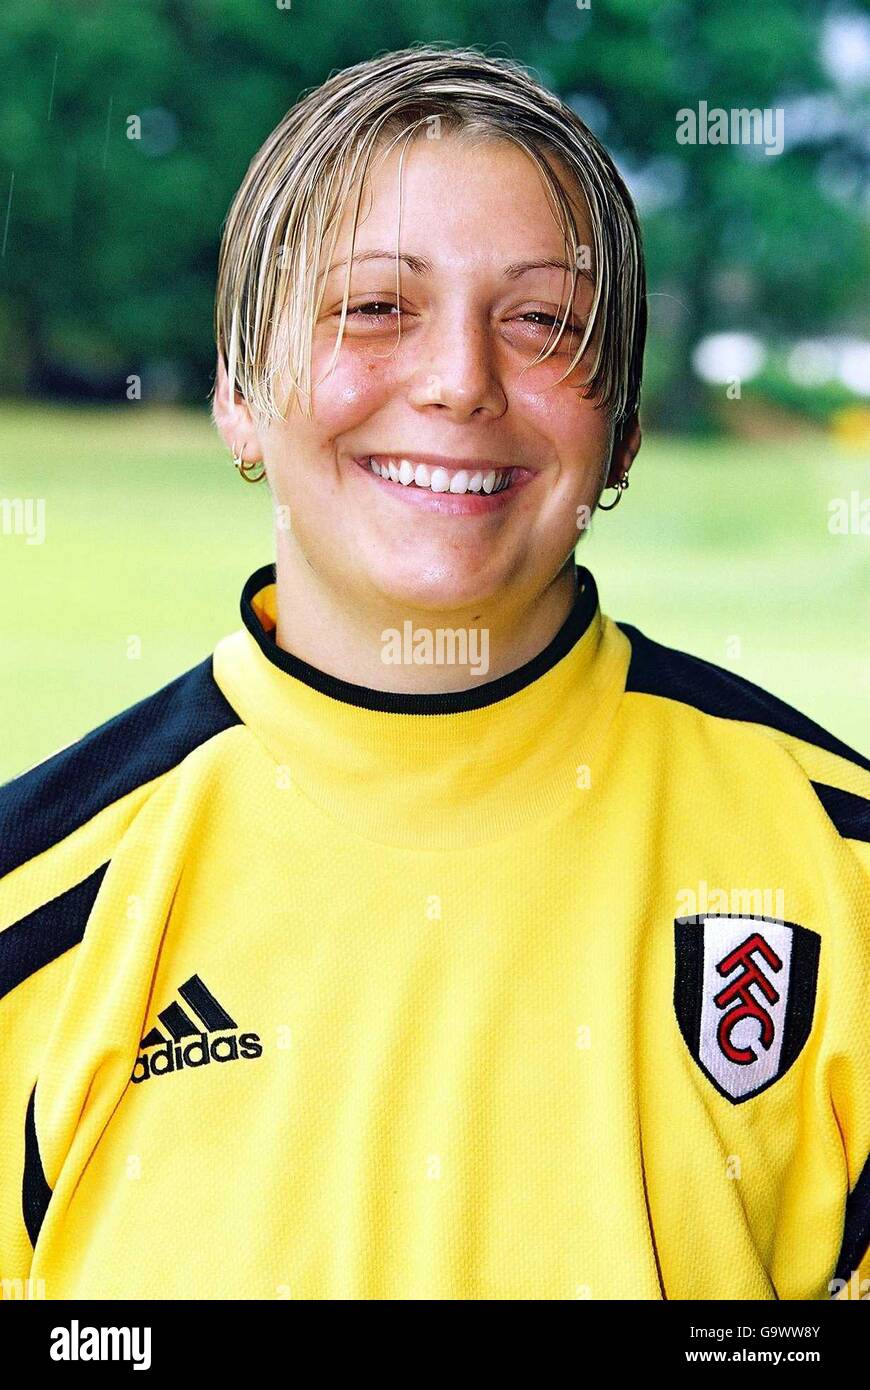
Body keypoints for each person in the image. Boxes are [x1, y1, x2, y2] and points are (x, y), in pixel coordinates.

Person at [0, 44, 867, 1302]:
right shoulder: (40, 910)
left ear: (620, 429)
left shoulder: (834, 867)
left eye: (540, 321)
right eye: (373, 306)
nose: (460, 381)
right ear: (240, 390)